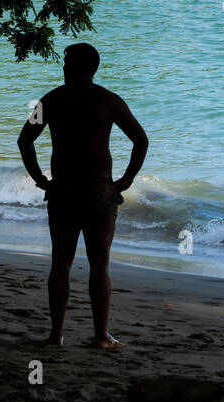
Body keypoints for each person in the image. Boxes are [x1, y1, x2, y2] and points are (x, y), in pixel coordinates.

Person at [18, 43, 148, 349]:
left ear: (78, 68)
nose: (62, 69)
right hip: (100, 193)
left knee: (60, 263)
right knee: (99, 265)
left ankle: (56, 334)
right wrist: (126, 179)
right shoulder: (109, 100)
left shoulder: (50, 100)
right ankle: (101, 335)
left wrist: (40, 180)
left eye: (67, 64)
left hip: (63, 191)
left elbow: (25, 140)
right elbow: (140, 140)